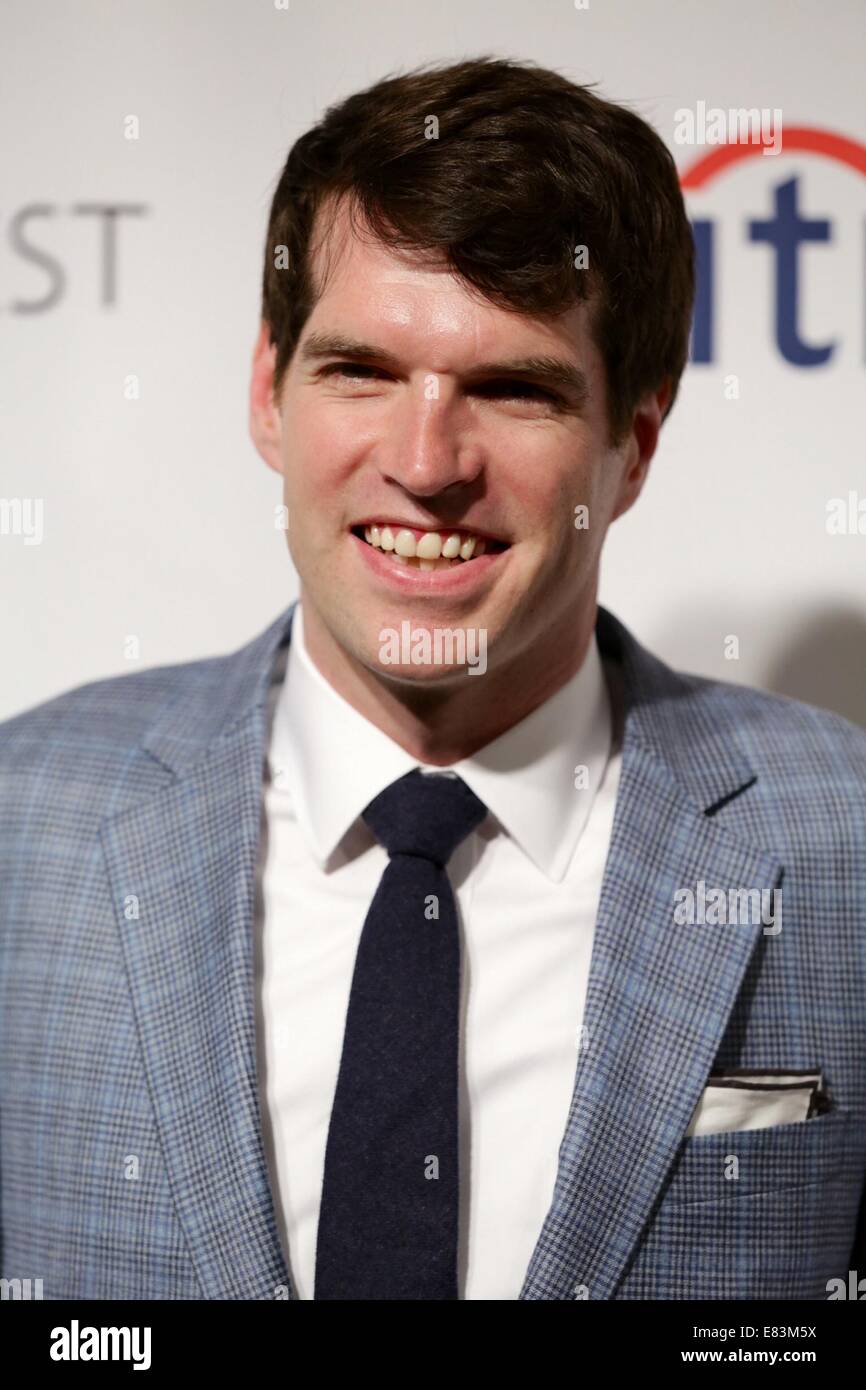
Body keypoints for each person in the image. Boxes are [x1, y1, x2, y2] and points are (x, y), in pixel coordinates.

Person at [1, 56, 864, 1302]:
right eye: (359, 370)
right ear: (267, 393)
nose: (425, 461)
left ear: (631, 448)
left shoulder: (839, 838)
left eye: (513, 389)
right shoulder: (27, 823)